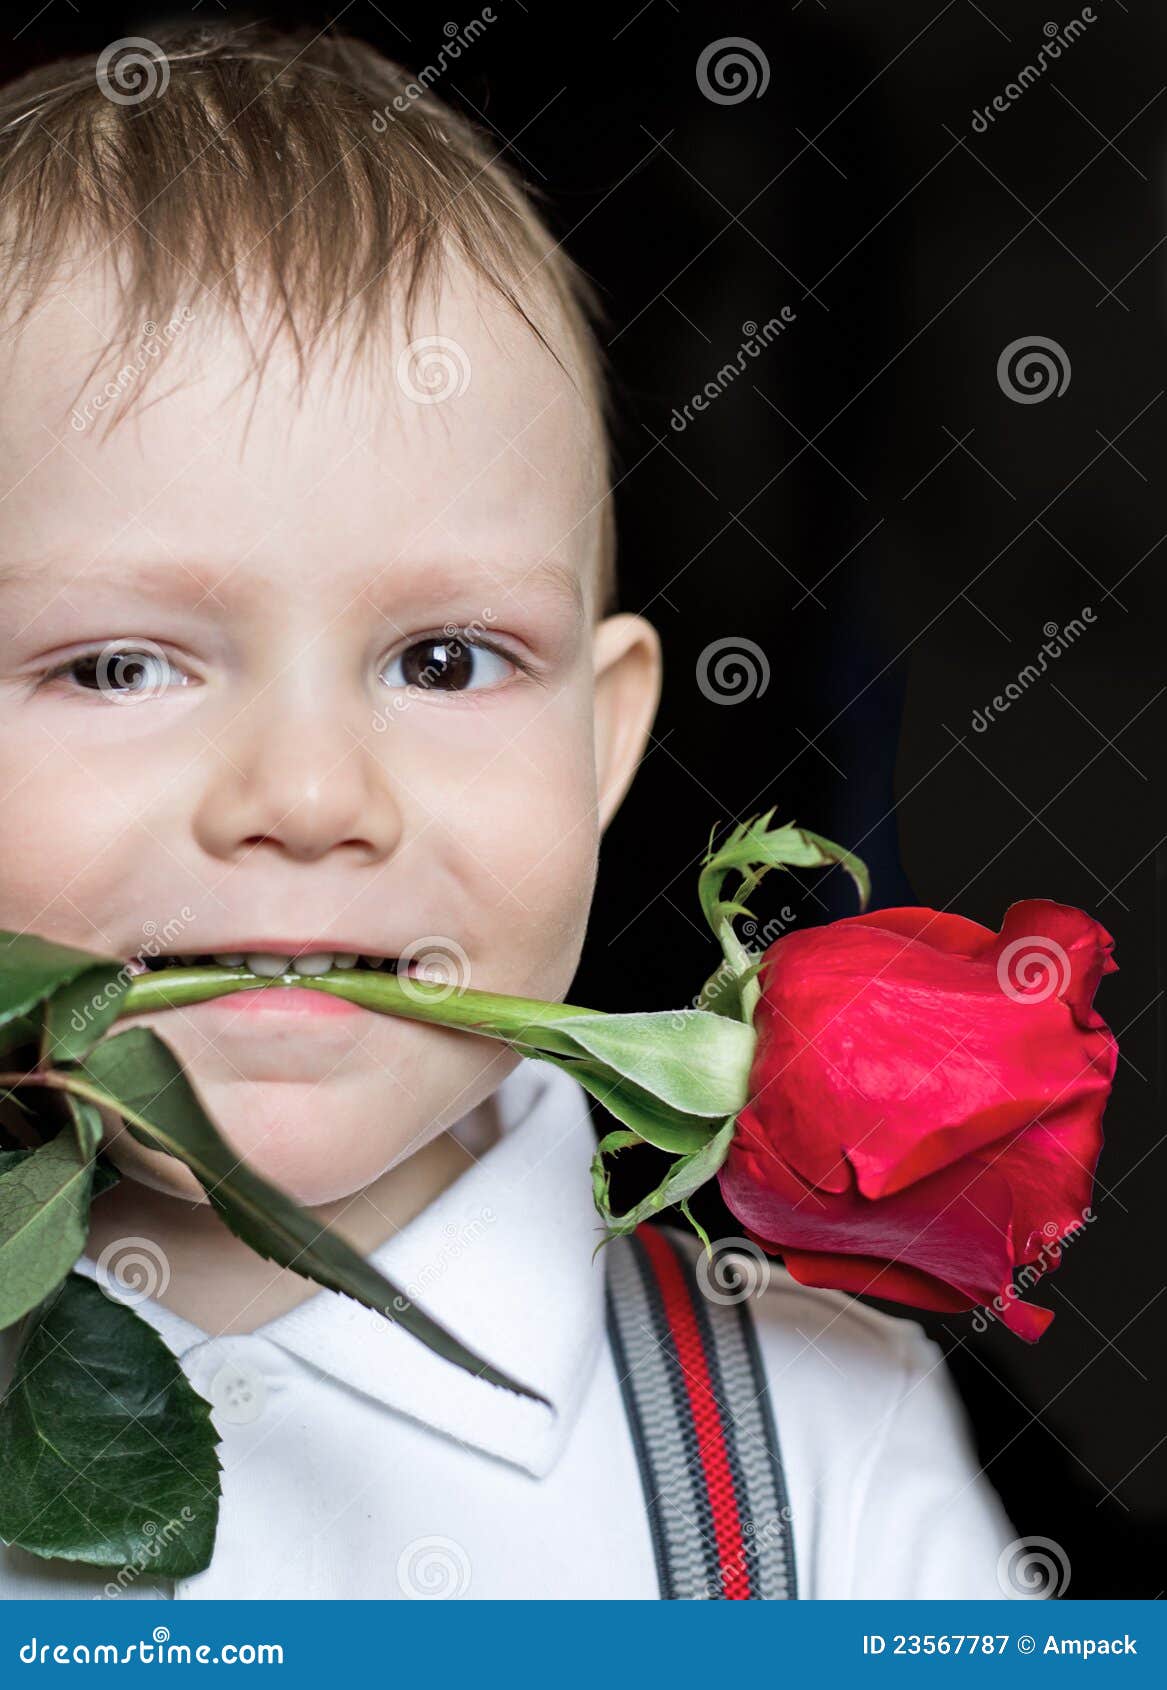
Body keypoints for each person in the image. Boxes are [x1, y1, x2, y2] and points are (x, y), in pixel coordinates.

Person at [0, 23, 1019, 1600]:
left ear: (602, 742)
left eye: (444, 657)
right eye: (122, 663)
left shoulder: (820, 1450)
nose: (312, 794)